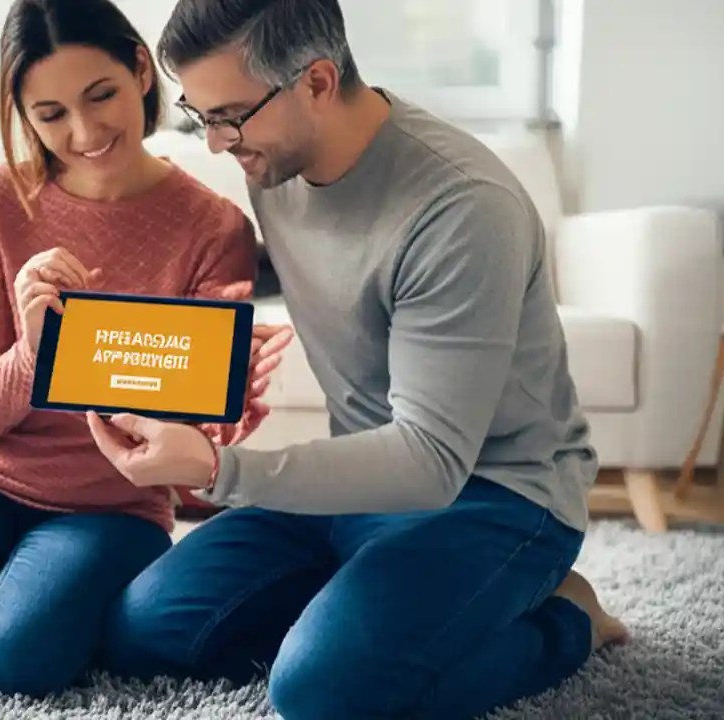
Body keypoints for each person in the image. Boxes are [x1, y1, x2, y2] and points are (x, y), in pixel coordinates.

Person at [87, 1, 630, 718]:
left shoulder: (461, 209)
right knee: (142, 632)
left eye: (231, 117)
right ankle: (374, 611)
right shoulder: (274, 160)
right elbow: (330, 265)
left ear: (316, 81)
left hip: (495, 494)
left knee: (323, 693)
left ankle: (570, 619)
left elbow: (431, 461)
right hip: (359, 482)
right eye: (201, 116)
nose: (216, 144)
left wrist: (220, 471)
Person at [0, 0, 270, 697]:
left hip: (110, 506)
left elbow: (196, 435)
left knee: (17, 661)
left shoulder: (215, 230)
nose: (85, 132)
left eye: (101, 96)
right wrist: (36, 349)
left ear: (140, 71)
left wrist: (225, 408)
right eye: (51, 113)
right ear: (24, 115)